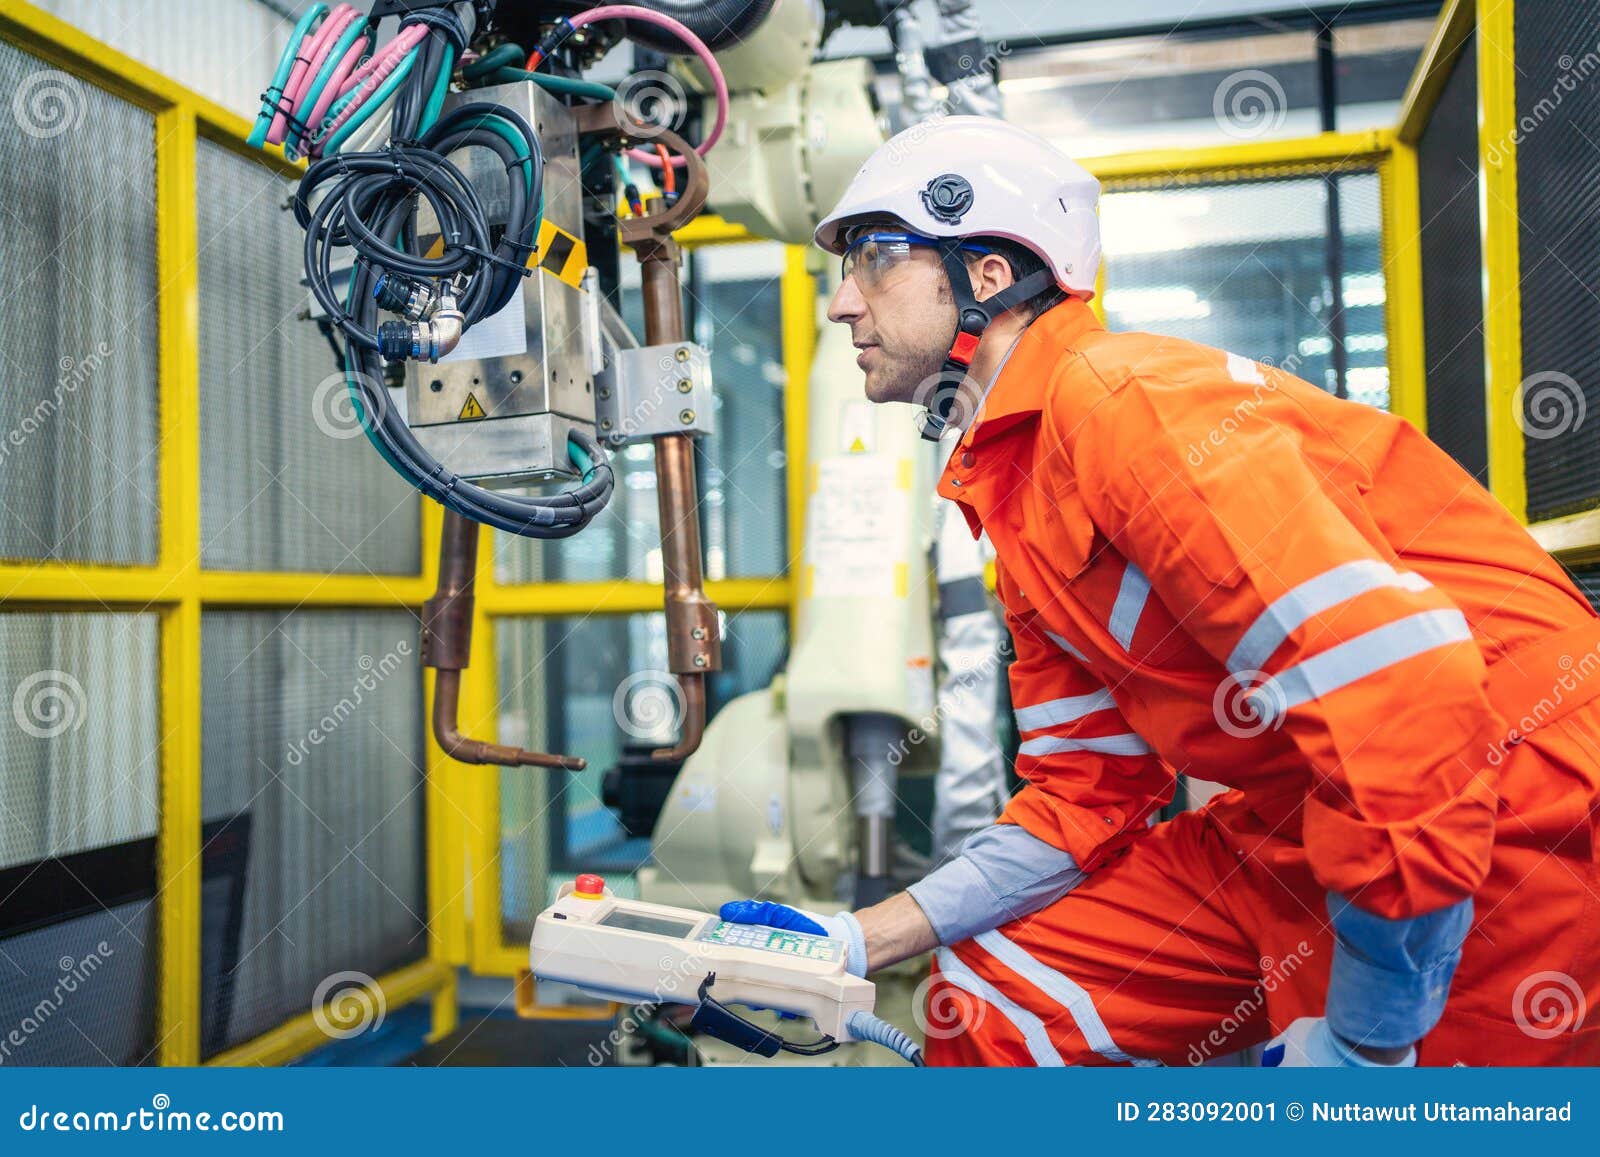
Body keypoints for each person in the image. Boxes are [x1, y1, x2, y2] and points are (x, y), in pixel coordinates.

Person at [724, 116, 1600, 1066]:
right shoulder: (1015, 483)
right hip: (1312, 807)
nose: (843, 303)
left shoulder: (1128, 412)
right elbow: (1082, 791)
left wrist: (1367, 1042)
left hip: (1507, 801)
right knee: (993, 999)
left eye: (875, 258)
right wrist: (862, 938)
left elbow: (1406, 697)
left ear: (985, 274)